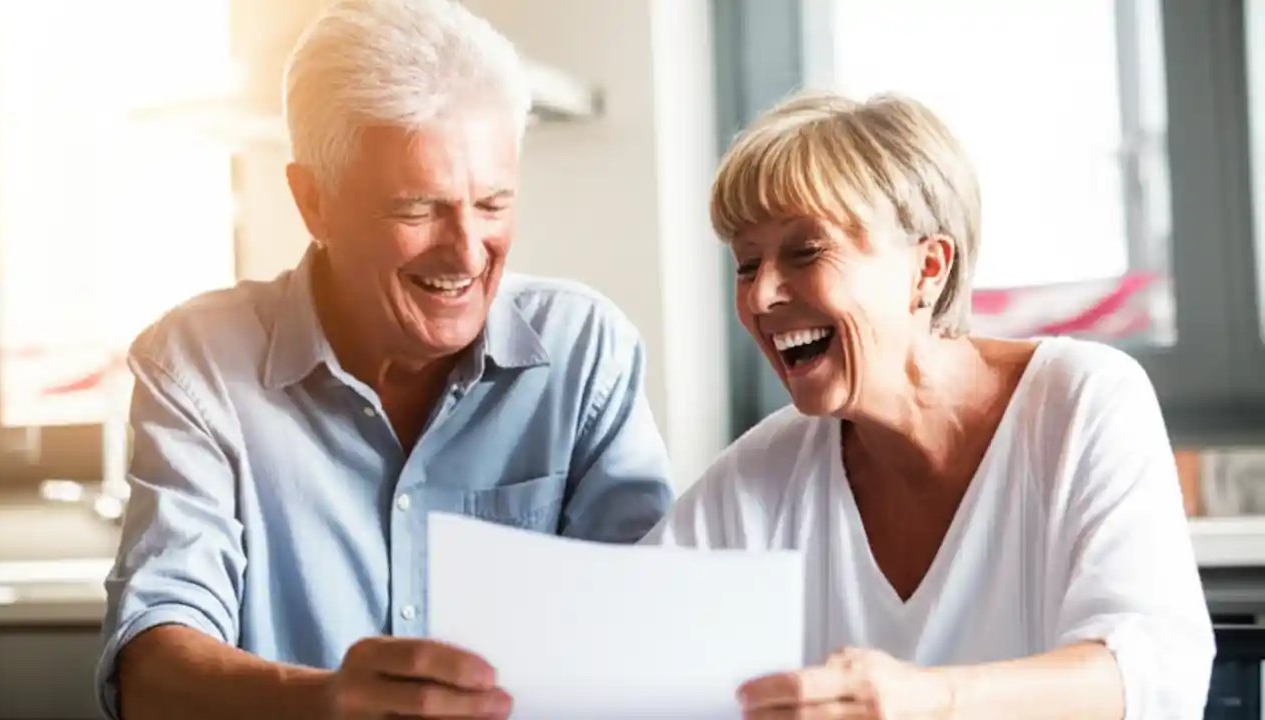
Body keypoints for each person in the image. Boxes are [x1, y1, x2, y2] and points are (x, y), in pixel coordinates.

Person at [95, 1, 673, 718]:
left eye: (492, 204)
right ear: (314, 202)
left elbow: (651, 644)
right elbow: (152, 667)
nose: (465, 252)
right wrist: (326, 702)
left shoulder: (585, 352)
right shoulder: (199, 365)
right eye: (417, 209)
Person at [643, 89, 1214, 719]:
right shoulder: (762, 474)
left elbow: (1156, 674)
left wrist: (929, 698)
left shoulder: (1081, 400)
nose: (761, 296)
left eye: (806, 251)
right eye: (747, 265)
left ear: (929, 269)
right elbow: (625, 640)